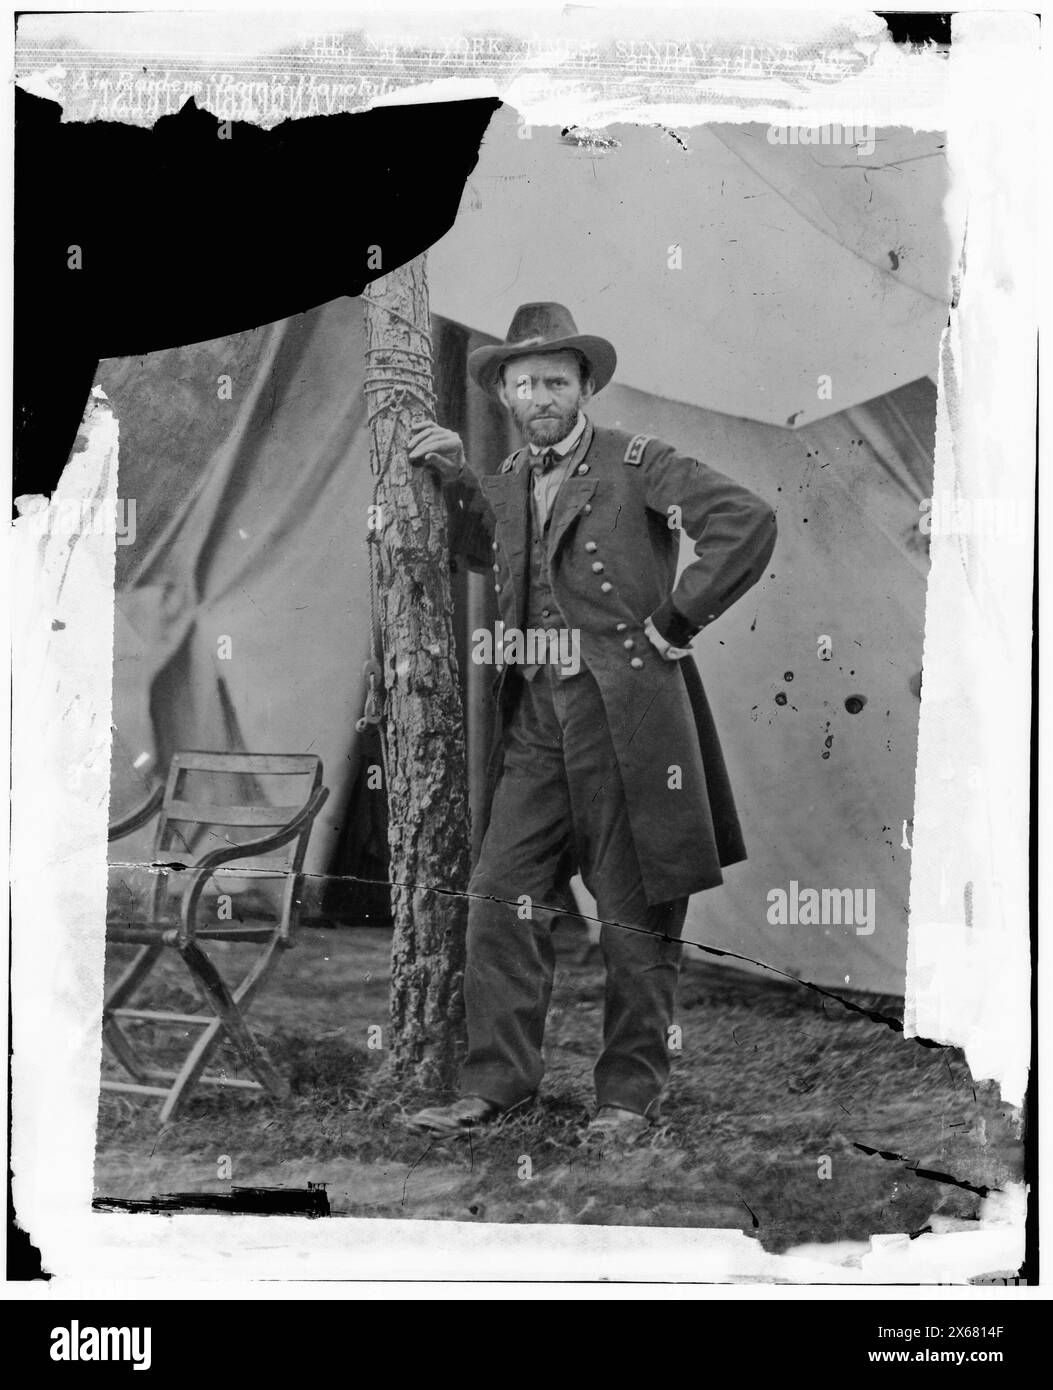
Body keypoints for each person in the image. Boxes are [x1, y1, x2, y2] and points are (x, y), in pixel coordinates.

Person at [404, 302, 777, 1140]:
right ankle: (497, 1085)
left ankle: (626, 1098)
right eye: (524, 382)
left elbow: (746, 521)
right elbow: (483, 550)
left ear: (582, 388)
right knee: (501, 898)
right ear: (503, 393)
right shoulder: (506, 478)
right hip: (534, 725)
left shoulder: (638, 463)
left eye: (556, 381)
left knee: (633, 916)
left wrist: (675, 621)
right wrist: (461, 477)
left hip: (625, 724)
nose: (540, 395)